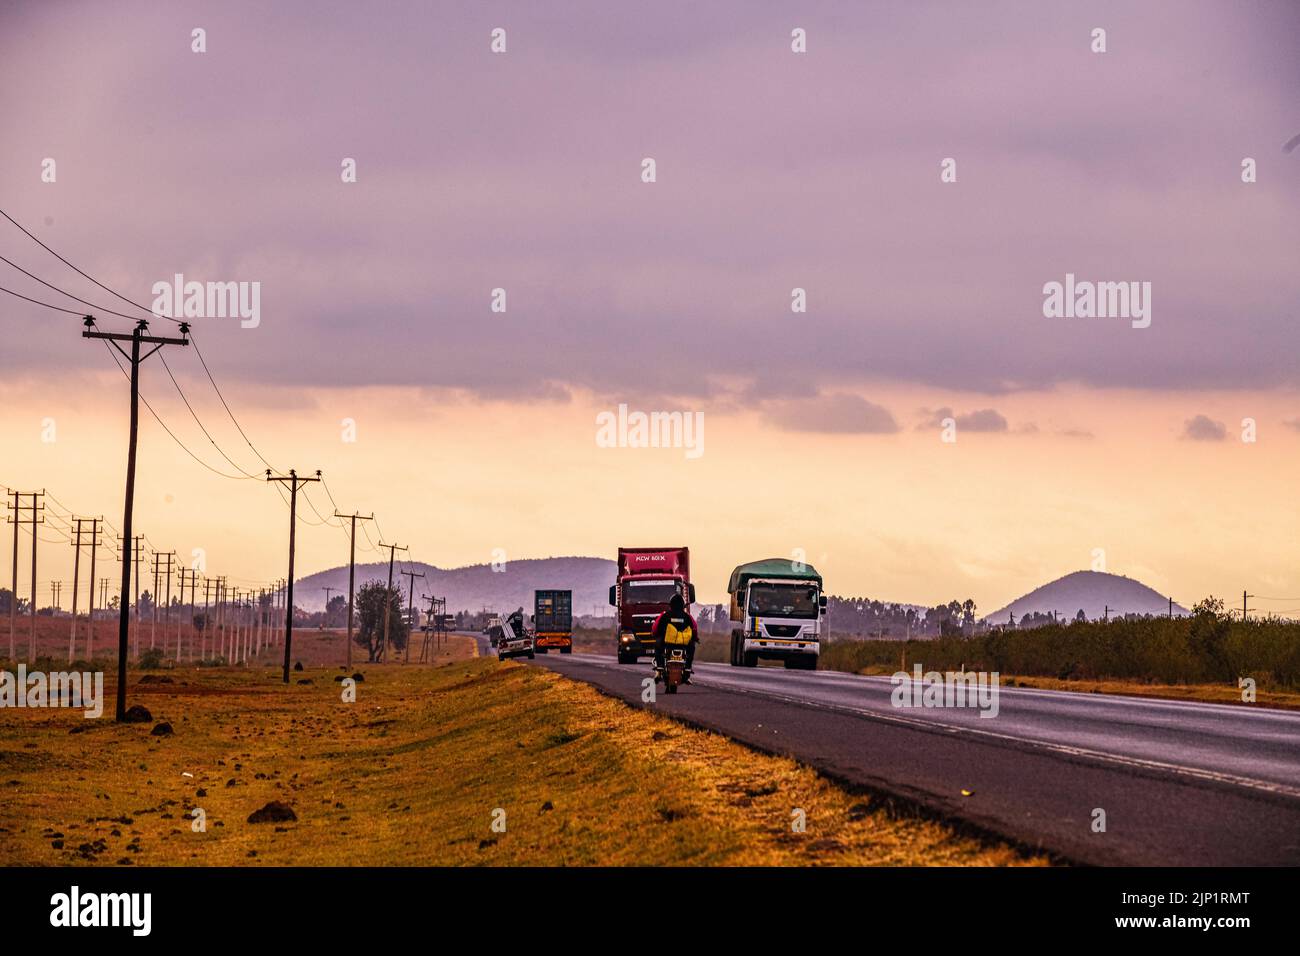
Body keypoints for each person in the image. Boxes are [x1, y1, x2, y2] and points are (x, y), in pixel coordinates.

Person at [652, 593, 698, 682]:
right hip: (683, 644)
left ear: (671, 604)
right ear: (683, 605)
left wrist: (656, 635)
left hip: (667, 643)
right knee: (691, 647)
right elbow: (694, 629)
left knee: (658, 646)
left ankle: (660, 667)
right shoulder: (687, 616)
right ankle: (688, 668)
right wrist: (695, 638)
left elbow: (655, 628)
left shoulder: (665, 615)